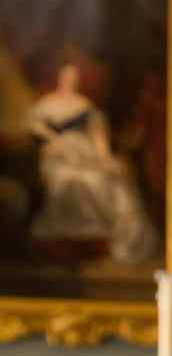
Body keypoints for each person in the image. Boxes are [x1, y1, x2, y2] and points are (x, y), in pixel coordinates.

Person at [28, 62, 160, 266]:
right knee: (65, 181)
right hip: (57, 156)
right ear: (60, 78)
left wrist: (108, 162)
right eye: (67, 76)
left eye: (74, 78)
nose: (70, 81)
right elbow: (33, 125)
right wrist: (54, 139)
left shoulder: (86, 107)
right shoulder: (48, 103)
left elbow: (99, 141)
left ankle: (94, 241)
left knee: (97, 181)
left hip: (84, 156)